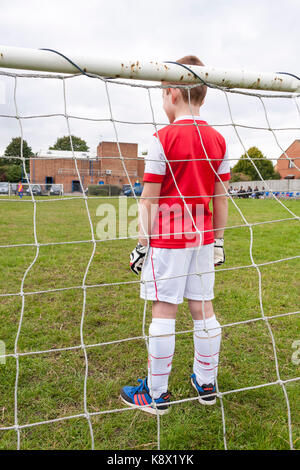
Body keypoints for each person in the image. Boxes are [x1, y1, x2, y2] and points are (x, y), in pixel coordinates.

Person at [120, 55, 230, 415]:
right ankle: (206, 382)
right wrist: (218, 241)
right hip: (202, 240)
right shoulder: (219, 141)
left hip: (167, 242)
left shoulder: (162, 138)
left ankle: (156, 394)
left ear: (171, 93)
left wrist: (141, 244)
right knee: (203, 308)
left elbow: (149, 200)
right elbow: (220, 199)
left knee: (164, 310)